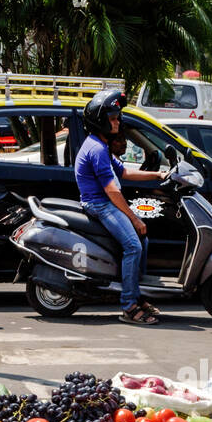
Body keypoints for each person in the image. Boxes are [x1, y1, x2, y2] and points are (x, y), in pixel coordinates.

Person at [73, 88, 166, 325]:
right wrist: (135, 218)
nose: (117, 123)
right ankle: (128, 306)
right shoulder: (96, 149)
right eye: (112, 119)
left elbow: (124, 172)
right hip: (99, 204)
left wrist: (157, 174)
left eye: (117, 118)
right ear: (101, 122)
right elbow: (112, 191)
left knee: (142, 240)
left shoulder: (101, 145)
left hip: (105, 202)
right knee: (134, 245)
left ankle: (137, 293)